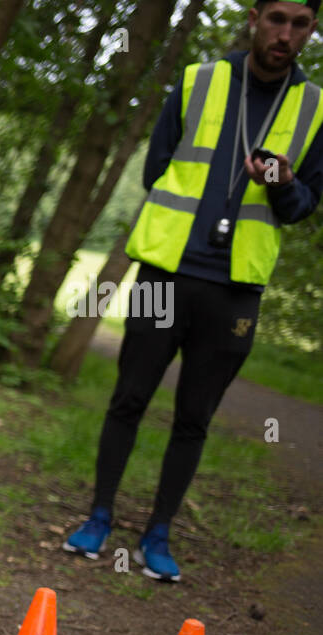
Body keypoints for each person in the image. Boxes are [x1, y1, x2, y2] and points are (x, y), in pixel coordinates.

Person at [64, 0, 322, 582]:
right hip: (166, 271)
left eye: (300, 24)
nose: (285, 34)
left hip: (235, 289)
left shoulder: (315, 108)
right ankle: (98, 517)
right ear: (254, 18)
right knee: (129, 398)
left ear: (311, 30)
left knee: (194, 417)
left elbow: (308, 204)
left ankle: (159, 532)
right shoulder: (198, 80)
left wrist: (281, 185)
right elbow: (158, 168)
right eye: (277, 18)